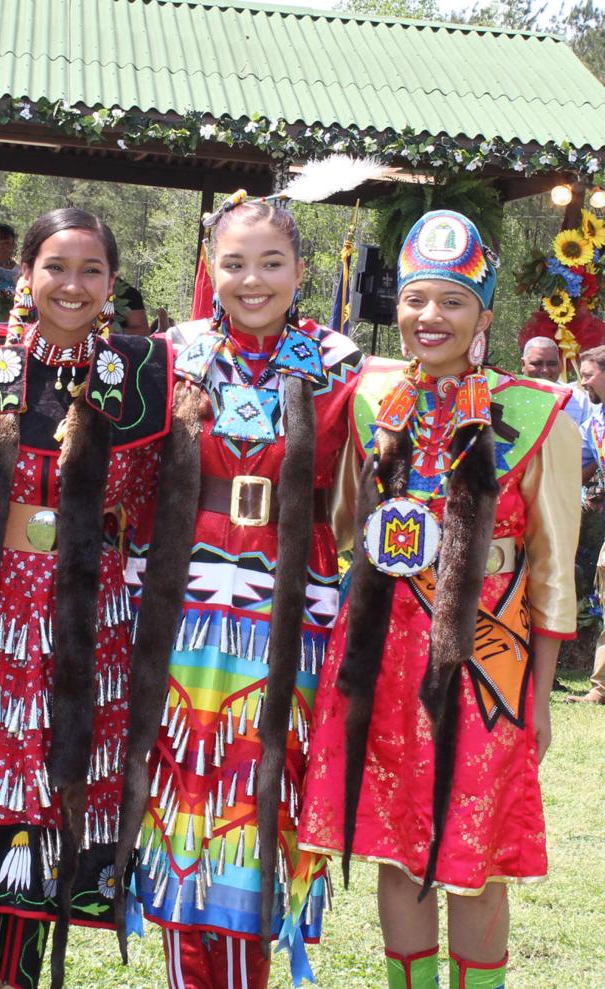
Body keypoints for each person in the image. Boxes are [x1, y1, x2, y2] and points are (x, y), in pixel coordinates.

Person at [299, 210, 579, 989]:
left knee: (476, 856)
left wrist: (544, 697)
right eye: (418, 300)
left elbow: (555, 571)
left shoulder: (538, 413)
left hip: (491, 655)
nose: (431, 318)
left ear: (483, 316)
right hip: (384, 651)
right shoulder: (370, 395)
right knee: (397, 842)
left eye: (452, 302)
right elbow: (347, 522)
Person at [0, 207, 198, 989]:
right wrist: (1, 505)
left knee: (55, 790)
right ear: (26, 274)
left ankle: (18, 974)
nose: (71, 285)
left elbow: (149, 497)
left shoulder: (143, 376)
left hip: (89, 615)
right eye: (55, 267)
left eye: (90, 271)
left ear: (111, 284)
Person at [115, 192, 363, 989]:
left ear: (300, 269)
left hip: (288, 617)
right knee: (181, 803)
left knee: (263, 803)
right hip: (183, 614)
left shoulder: (341, 363)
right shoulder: (173, 352)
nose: (252, 279)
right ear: (208, 268)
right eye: (235, 262)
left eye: (272, 262)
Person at [572, 344, 605, 705]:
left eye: (589, 374)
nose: (583, 382)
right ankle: (600, 688)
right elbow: (576, 466)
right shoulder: (594, 421)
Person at [521, 335, 591, 426]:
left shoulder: (579, 399)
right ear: (523, 364)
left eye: (551, 364)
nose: (545, 370)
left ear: (560, 365)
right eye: (537, 364)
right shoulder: (507, 395)